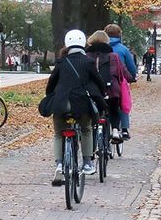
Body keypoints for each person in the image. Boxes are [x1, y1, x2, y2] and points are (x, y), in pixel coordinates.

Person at [46, 30, 109, 185]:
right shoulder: (88, 62)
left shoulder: (61, 62)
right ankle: (87, 163)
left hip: (62, 105)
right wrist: (102, 94)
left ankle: (59, 164)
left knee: (59, 134)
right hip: (82, 105)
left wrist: (51, 95)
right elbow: (98, 81)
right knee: (86, 129)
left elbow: (51, 85)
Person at [85, 31, 132, 142]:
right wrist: (131, 78)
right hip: (111, 90)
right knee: (114, 109)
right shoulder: (113, 56)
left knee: (91, 112)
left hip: (93, 91)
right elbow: (122, 72)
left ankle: (91, 138)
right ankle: (115, 130)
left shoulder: (86, 56)